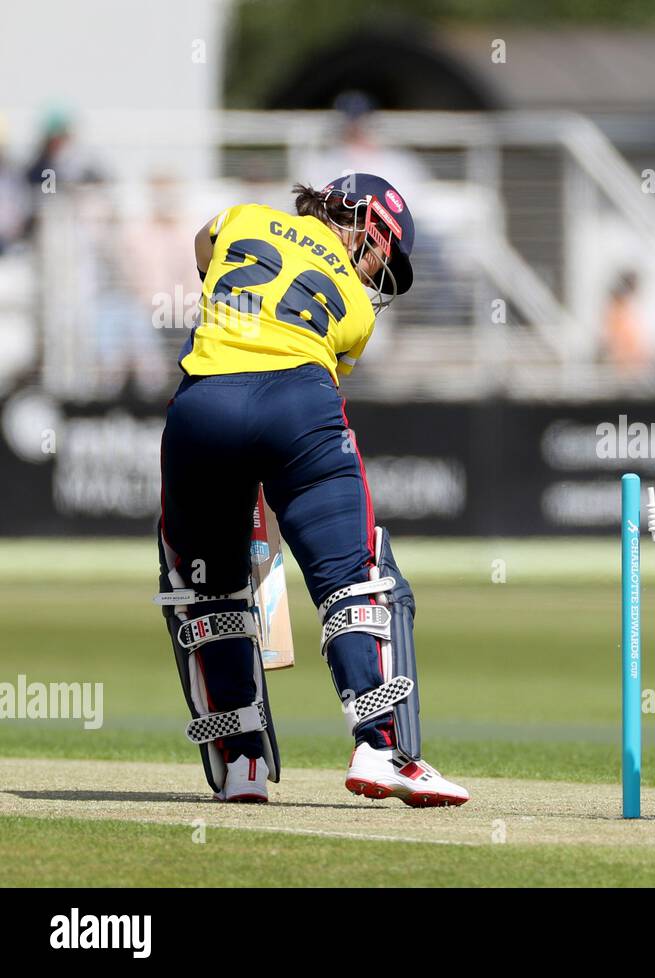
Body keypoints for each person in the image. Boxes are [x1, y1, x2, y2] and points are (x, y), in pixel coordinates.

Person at [156, 173, 469, 806]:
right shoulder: (354, 309)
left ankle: (239, 763)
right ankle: (382, 748)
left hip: (201, 406)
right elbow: (290, 384)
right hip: (298, 405)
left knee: (208, 588)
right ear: (359, 221)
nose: (382, 268)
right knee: (355, 577)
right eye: (386, 249)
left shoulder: (241, 217)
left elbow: (200, 244)